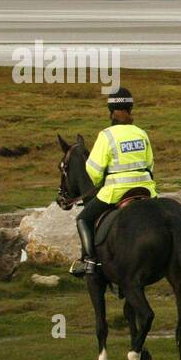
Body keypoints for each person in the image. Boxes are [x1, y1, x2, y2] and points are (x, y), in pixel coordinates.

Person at [71, 87, 157, 277]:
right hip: (146, 191)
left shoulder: (106, 135)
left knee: (83, 219)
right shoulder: (141, 133)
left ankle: (90, 261)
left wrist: (101, 181)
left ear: (111, 112)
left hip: (115, 193)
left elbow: (93, 171)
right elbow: (150, 166)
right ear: (130, 108)